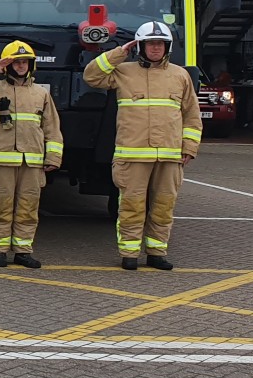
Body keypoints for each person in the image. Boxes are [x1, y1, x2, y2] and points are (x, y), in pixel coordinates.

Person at [83, 21, 202, 270]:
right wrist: (120, 52)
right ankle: (129, 254)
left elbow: (191, 114)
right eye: (150, 43)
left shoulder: (180, 75)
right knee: (131, 206)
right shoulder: (123, 72)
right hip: (133, 156)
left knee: (164, 206)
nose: (156, 48)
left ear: (167, 47)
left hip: (170, 157)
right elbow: (91, 75)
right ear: (141, 46)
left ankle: (157, 253)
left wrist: (189, 147)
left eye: (160, 44)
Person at [0, 40, 62, 268]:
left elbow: (52, 128)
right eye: (16, 62)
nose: (21, 65)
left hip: (32, 162)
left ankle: (23, 251)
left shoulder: (40, 93)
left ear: (31, 64)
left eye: (25, 61)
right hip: (2, 160)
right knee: (2, 206)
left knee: (28, 207)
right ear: (7, 65)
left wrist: (53, 157)